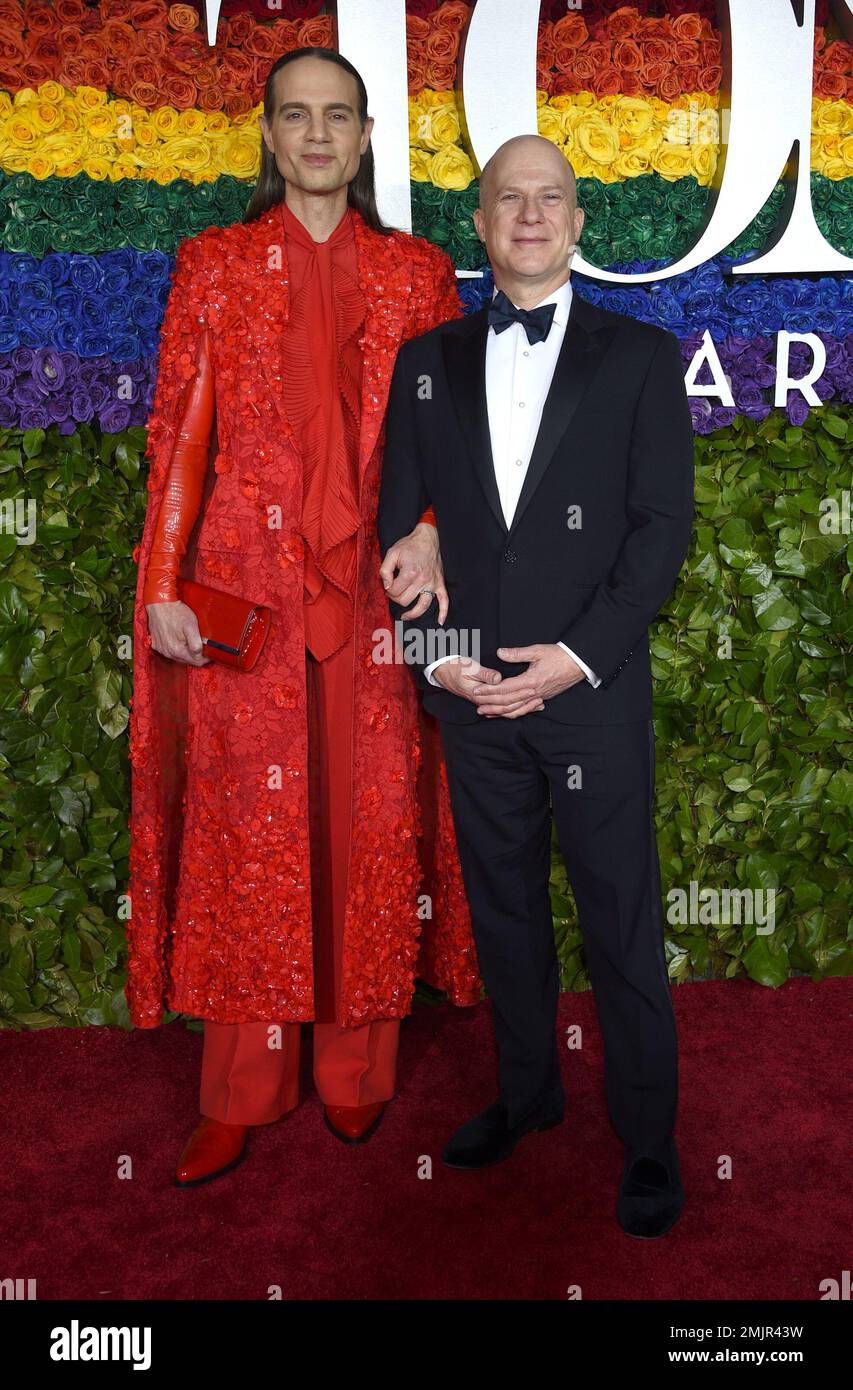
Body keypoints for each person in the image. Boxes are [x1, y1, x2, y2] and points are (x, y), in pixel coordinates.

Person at [128, 47, 480, 1188]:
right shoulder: (216, 265)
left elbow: (451, 439)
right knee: (250, 841)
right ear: (270, 137)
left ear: (366, 136)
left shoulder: (419, 272)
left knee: (372, 830)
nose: (317, 135)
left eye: (338, 116)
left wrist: (426, 526)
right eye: (296, 116)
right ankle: (240, 1089)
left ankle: (356, 1078)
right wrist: (164, 585)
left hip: (381, 600)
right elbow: (179, 438)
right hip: (249, 598)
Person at [377, 134, 695, 1238]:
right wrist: (440, 654)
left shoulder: (641, 358)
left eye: (547, 197)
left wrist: (573, 658)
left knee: (619, 920)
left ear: (576, 221)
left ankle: (648, 1140)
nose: (527, 213)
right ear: (478, 222)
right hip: (470, 691)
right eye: (507, 197)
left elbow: (661, 536)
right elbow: (404, 530)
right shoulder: (424, 361)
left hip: (589, 696)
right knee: (505, 911)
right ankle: (526, 1091)